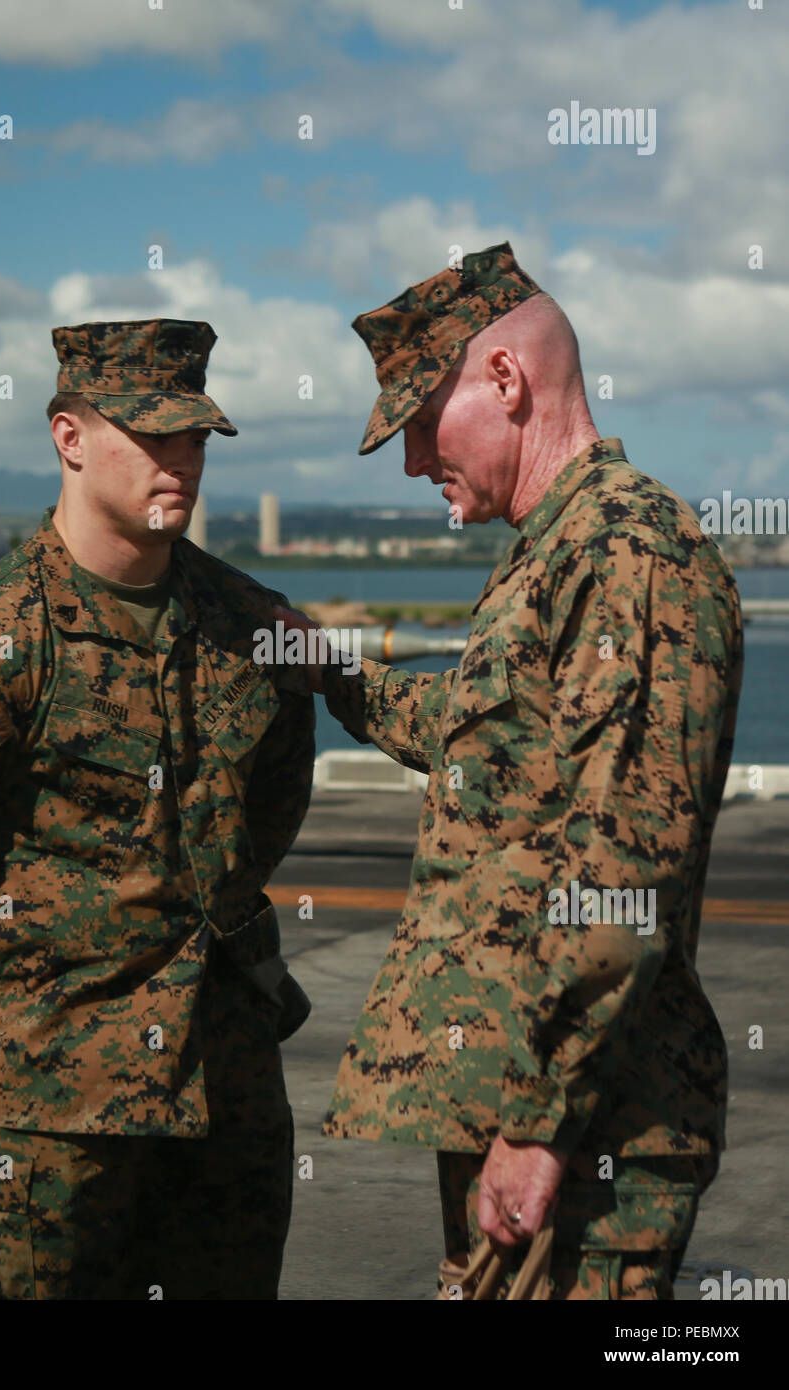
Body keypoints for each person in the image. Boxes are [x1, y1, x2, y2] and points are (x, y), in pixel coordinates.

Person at [277, 244, 742, 1299]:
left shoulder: (627, 552)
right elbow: (486, 736)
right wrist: (327, 673)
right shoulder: (552, 549)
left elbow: (624, 854)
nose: (408, 464)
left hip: (590, 1133)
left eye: (416, 422)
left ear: (505, 381)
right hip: (538, 1108)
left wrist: (536, 1129)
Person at [0, 317, 315, 1300]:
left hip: (226, 1097)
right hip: (54, 1114)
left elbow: (263, 818)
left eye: (194, 437)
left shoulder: (248, 623)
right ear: (69, 438)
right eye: (151, 437)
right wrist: (35, 993)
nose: (178, 462)